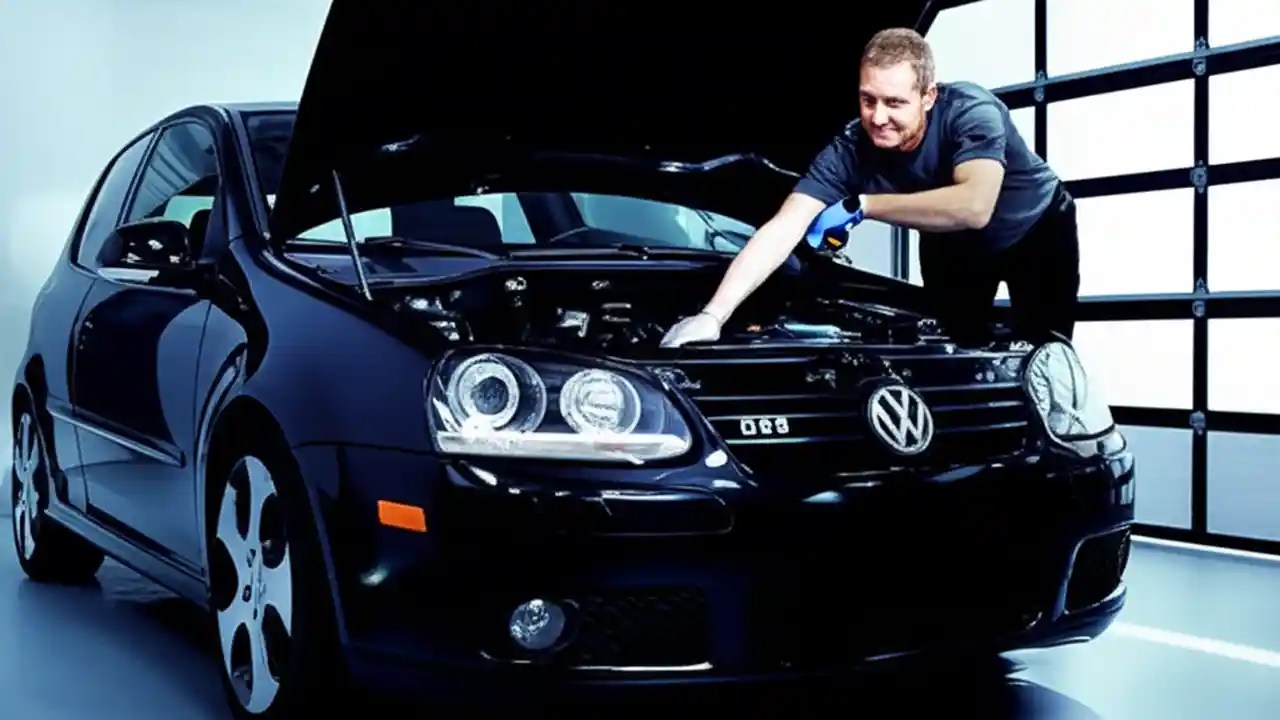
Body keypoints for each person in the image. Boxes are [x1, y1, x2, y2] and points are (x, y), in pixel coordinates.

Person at [660, 27, 1079, 349]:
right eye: (867, 99)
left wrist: (864, 204)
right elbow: (782, 228)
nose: (878, 117)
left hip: (1035, 231)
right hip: (952, 243)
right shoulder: (848, 148)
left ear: (928, 96)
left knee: (1044, 357)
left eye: (894, 102)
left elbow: (974, 206)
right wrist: (712, 316)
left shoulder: (972, 111)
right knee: (953, 350)